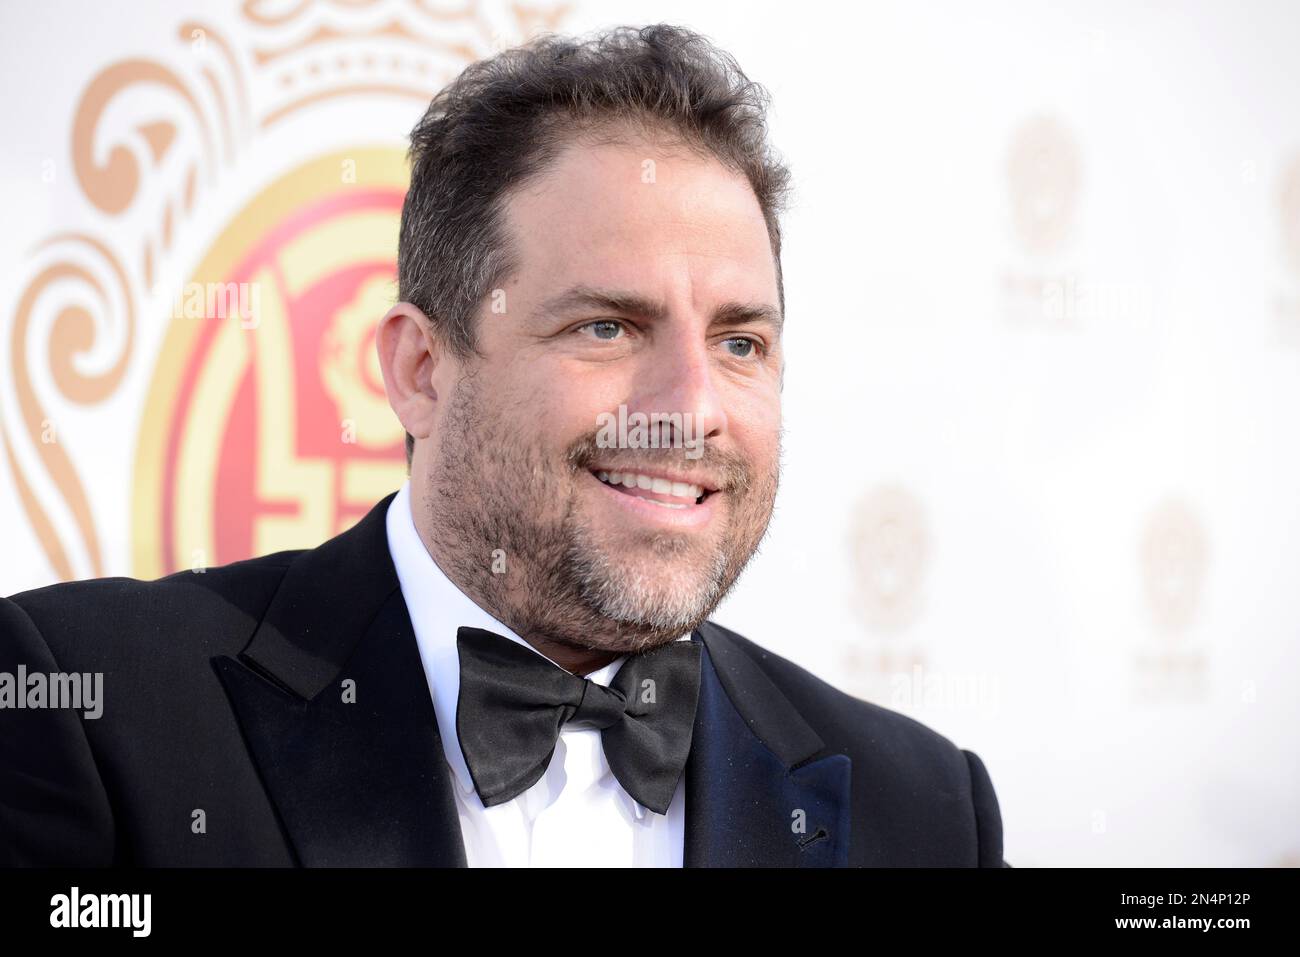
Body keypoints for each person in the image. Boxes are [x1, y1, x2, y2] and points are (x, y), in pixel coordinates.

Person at [0, 23, 1007, 867]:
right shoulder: (90, 713)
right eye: (606, 327)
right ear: (420, 370)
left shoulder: (920, 813)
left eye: (739, 341)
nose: (690, 407)